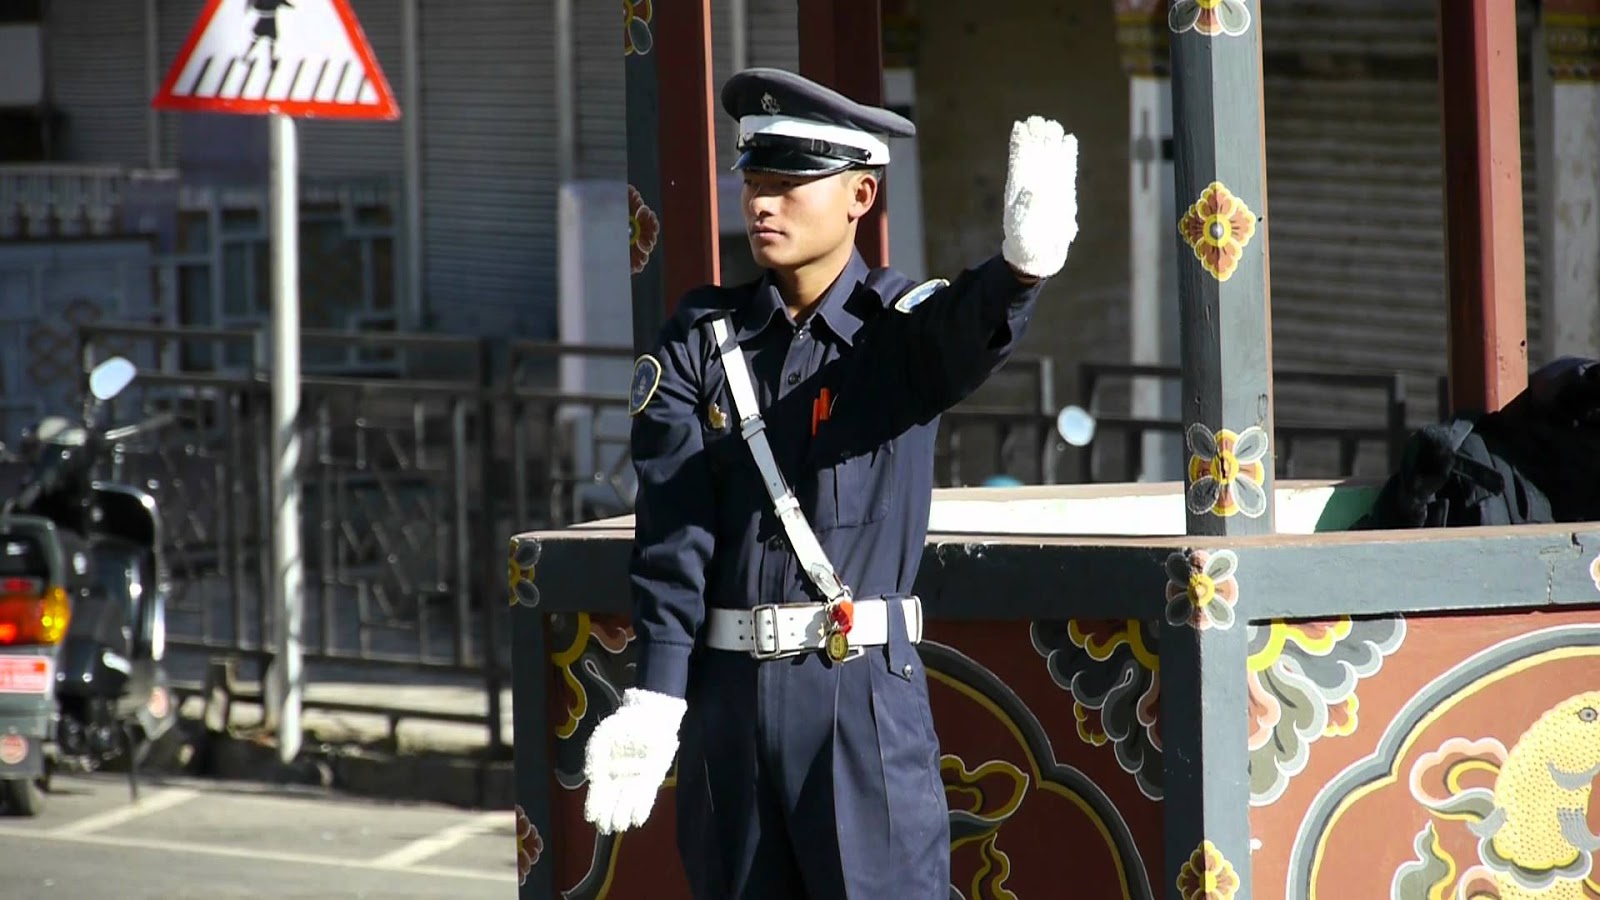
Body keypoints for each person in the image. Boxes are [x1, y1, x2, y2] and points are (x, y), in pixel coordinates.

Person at [581, 67, 1078, 898]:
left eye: (788, 184)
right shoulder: (699, 343)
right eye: (754, 182)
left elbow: (960, 333)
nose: (761, 204)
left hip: (859, 700)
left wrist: (1019, 275)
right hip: (727, 702)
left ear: (860, 195)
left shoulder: (899, 327)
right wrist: (657, 698)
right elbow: (673, 532)